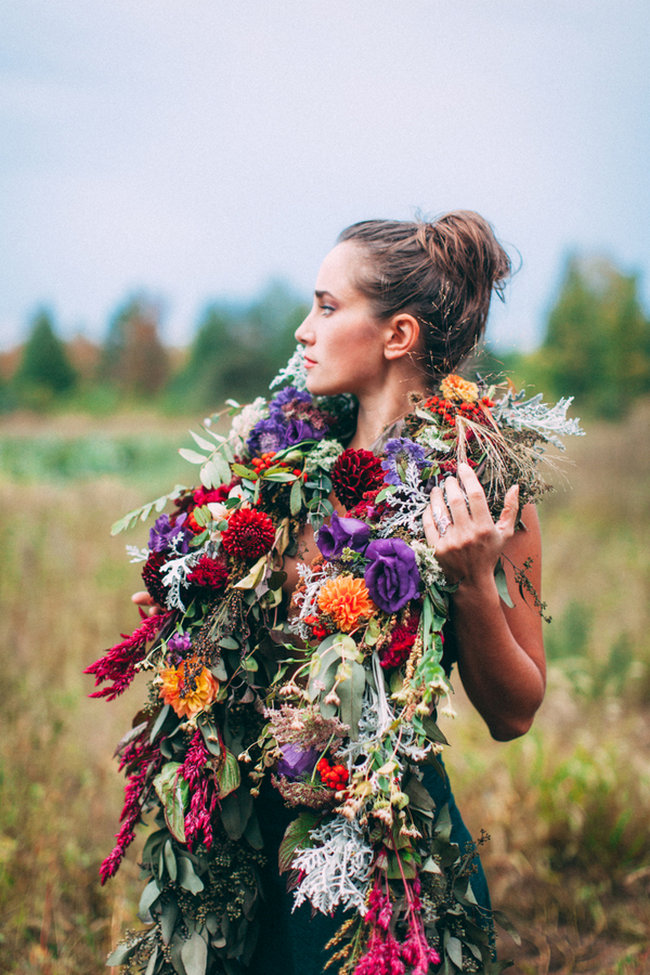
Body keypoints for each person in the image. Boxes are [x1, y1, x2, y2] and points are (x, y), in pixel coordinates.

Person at [133, 210, 545, 973]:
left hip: (386, 865)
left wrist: (470, 585)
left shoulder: (479, 495)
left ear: (398, 336)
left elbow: (516, 711)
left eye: (327, 306)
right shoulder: (277, 473)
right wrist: (182, 628)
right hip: (248, 858)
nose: (302, 329)